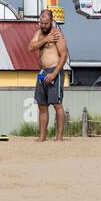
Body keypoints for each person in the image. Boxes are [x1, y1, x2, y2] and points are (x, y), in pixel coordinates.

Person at [27, 8, 68, 142]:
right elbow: (30, 47)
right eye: (41, 23)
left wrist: (55, 73)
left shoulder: (57, 34)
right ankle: (42, 137)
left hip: (54, 71)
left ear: (51, 21)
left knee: (57, 104)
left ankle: (59, 137)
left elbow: (63, 56)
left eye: (45, 23)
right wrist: (45, 40)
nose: (43, 25)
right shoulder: (39, 33)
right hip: (42, 72)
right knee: (42, 105)